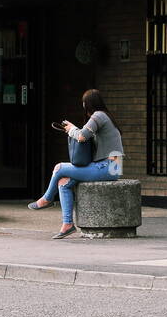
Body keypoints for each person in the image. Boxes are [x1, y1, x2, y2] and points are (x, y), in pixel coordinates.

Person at [28, 89, 123, 238]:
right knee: (64, 182)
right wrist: (73, 129)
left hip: (108, 167)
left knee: (59, 168)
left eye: (84, 103)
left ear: (87, 104)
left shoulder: (98, 115)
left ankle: (46, 199)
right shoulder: (105, 116)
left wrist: (71, 129)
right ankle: (67, 225)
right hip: (110, 167)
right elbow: (83, 134)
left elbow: (81, 137)